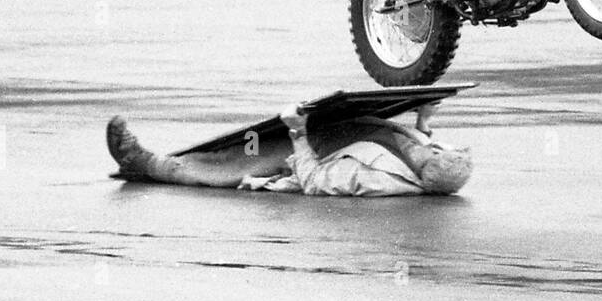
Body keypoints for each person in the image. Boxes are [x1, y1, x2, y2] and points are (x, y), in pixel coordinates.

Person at [105, 102, 471, 197]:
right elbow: (414, 140)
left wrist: (297, 133)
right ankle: (147, 163)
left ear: (430, 168)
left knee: (221, 167)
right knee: (233, 152)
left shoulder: (376, 180)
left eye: (438, 152)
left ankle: (142, 161)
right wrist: (424, 119)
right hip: (327, 132)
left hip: (304, 152)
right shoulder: (422, 152)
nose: (436, 147)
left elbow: (315, 181)